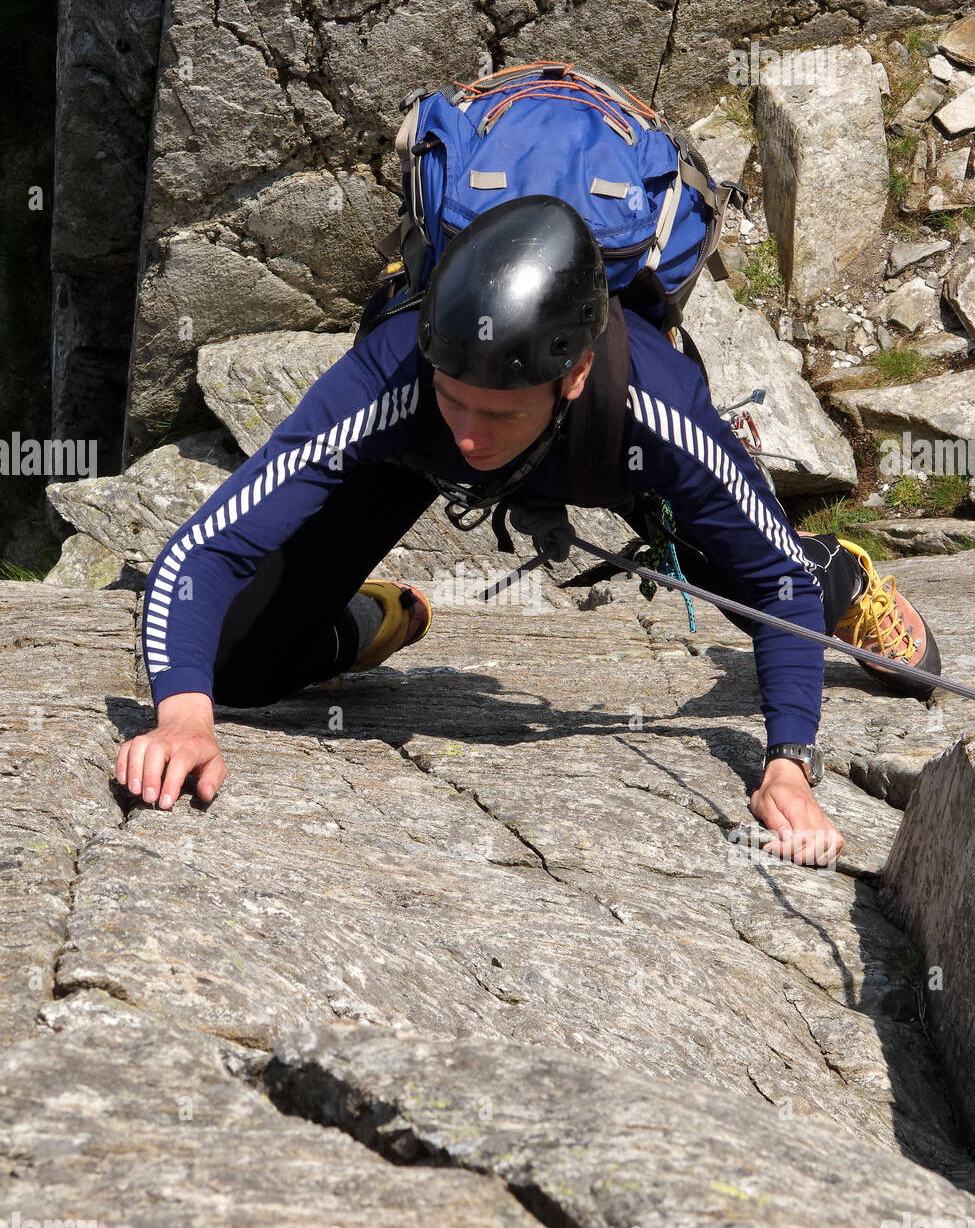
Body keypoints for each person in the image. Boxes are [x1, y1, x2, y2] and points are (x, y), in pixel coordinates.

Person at [116, 196, 940, 867]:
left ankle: (845, 573)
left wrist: (787, 762)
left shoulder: (656, 410)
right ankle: (370, 616)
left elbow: (772, 585)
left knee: (761, 570)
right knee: (232, 667)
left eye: (498, 411)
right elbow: (203, 551)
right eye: (455, 399)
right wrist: (184, 714)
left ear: (574, 370)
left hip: (603, 456)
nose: (473, 435)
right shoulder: (392, 379)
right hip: (409, 458)